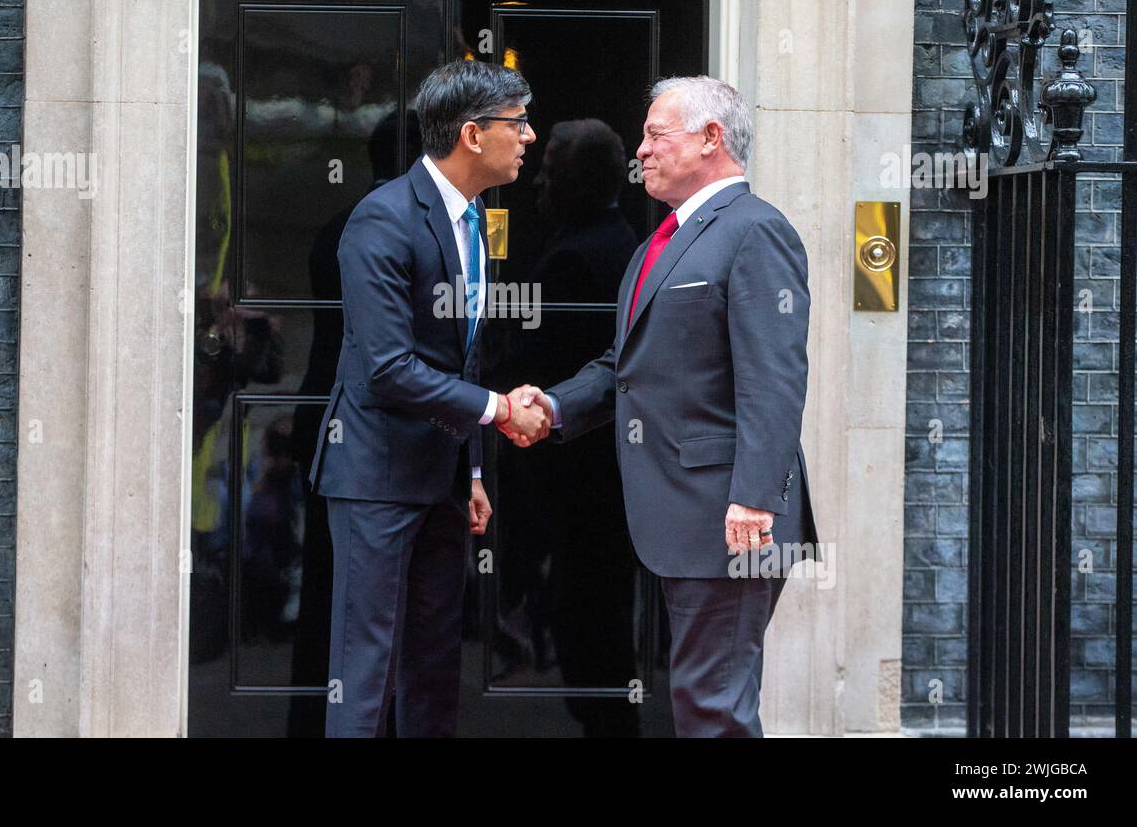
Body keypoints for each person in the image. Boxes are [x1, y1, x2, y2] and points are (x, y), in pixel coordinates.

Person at [506, 75, 820, 737]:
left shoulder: (755, 231)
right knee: (703, 701)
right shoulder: (664, 240)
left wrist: (756, 500)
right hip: (680, 513)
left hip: (730, 518)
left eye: (655, 135)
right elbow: (626, 368)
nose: (640, 152)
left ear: (712, 139)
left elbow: (775, 376)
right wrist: (554, 407)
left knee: (714, 708)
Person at [307, 59, 547, 737]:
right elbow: (388, 369)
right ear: (472, 135)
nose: (529, 136)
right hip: (375, 480)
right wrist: (499, 411)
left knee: (434, 671)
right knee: (365, 676)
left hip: (441, 483)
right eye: (517, 123)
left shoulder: (475, 222)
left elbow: (456, 356)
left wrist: (470, 469)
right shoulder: (382, 220)